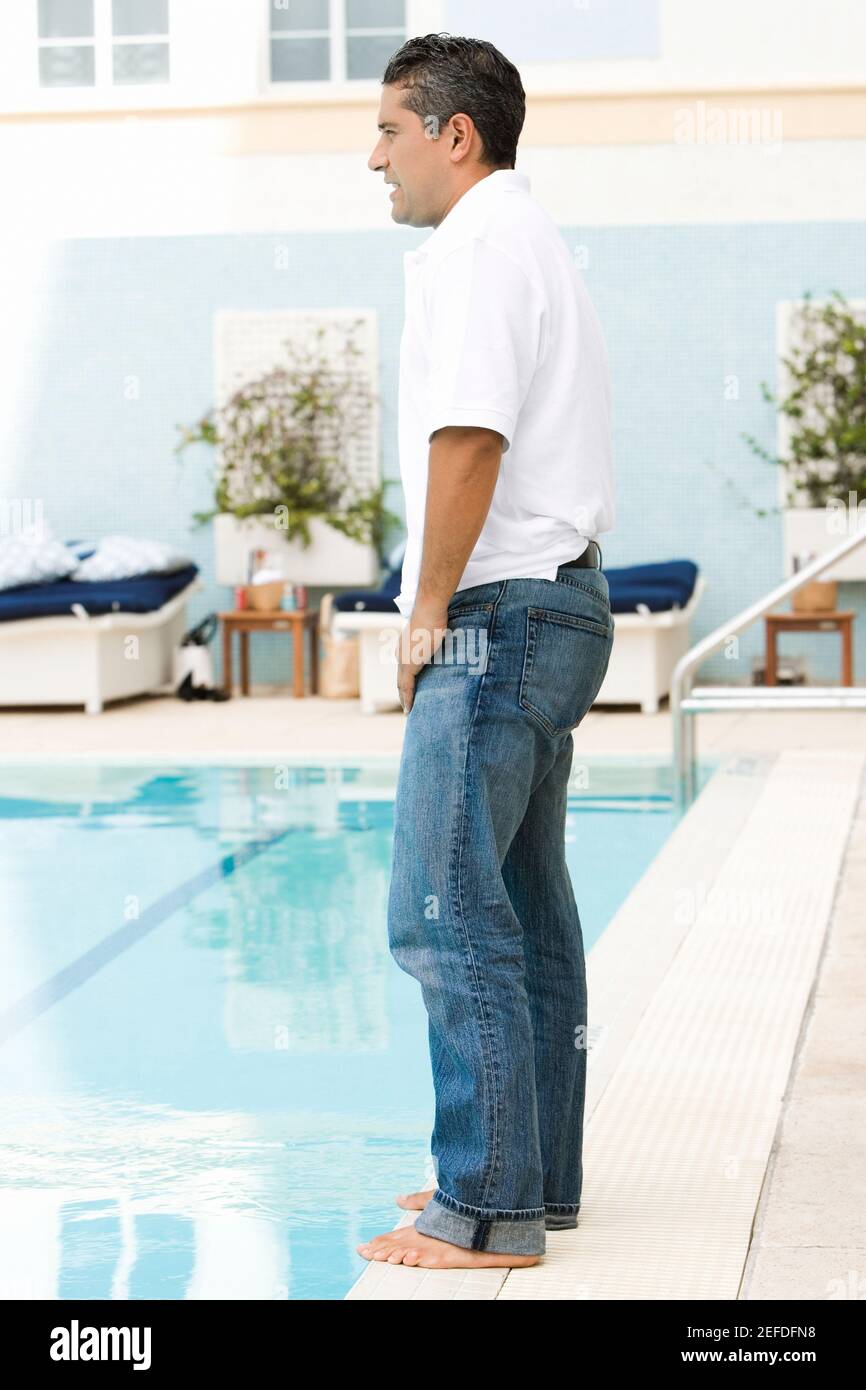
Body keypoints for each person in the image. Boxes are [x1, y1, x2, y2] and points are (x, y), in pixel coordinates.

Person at [357, 32, 615, 1272]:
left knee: (441, 910)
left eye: (390, 130)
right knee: (519, 909)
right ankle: (528, 1172)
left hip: (499, 613)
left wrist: (423, 614)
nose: (374, 158)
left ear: (455, 134)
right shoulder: (529, 238)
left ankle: (485, 1206)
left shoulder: (474, 247)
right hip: (554, 604)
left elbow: (468, 441)